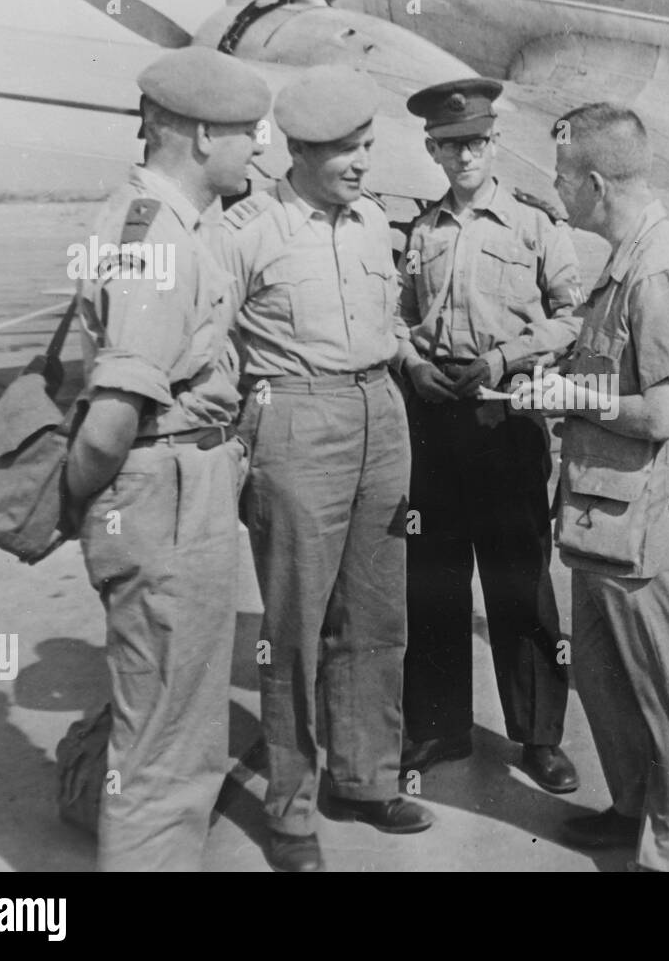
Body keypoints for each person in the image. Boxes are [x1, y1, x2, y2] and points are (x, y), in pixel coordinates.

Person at [212, 65, 433, 874]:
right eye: (347, 149)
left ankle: (366, 778)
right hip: (296, 422)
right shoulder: (247, 232)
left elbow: (393, 320)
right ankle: (292, 810)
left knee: (377, 617)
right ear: (301, 150)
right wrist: (238, 440)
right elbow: (209, 344)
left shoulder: (373, 222)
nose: (363, 163)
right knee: (295, 630)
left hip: (382, 412)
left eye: (367, 146)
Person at [64, 45, 270, 871]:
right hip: (164, 494)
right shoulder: (160, 242)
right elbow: (113, 420)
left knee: (173, 729)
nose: (259, 148)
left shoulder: (172, 221)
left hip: (177, 487)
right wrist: (80, 505)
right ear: (197, 135)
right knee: (165, 757)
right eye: (247, 134)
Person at [533, 102, 669, 872]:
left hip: (644, 528)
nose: (555, 190)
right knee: (603, 676)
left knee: (665, 695)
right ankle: (630, 809)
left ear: (593, 182)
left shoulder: (658, 270)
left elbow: (661, 413)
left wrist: (567, 399)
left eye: (560, 177)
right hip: (603, 517)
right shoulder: (626, 259)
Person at [396, 78, 583, 792]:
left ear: (493, 143)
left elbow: (572, 315)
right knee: (434, 581)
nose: (464, 155)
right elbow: (400, 315)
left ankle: (539, 736)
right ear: (433, 150)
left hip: (506, 417)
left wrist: (506, 358)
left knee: (520, 583)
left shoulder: (535, 225)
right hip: (435, 422)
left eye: (475, 141)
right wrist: (414, 365)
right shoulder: (422, 232)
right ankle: (440, 728)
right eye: (450, 144)